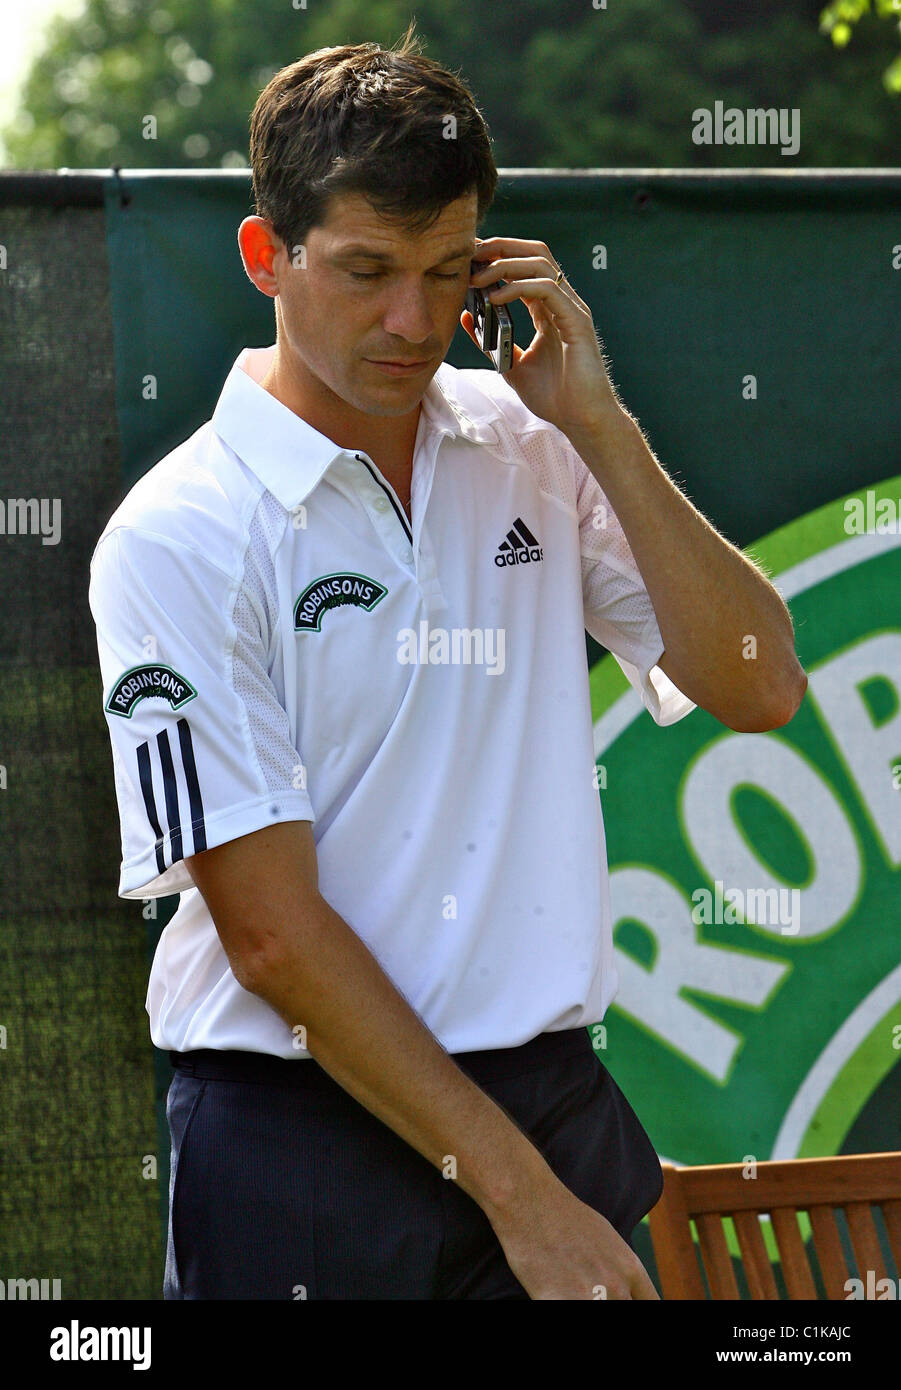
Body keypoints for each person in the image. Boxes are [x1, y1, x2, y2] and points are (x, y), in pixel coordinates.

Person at [88, 25, 807, 1301]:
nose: (413, 321)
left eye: (442, 269)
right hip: (295, 1146)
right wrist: (527, 1201)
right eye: (366, 271)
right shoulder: (176, 532)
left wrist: (597, 419)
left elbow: (758, 683)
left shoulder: (535, 443)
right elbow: (268, 935)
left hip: (551, 1102)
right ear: (268, 256)